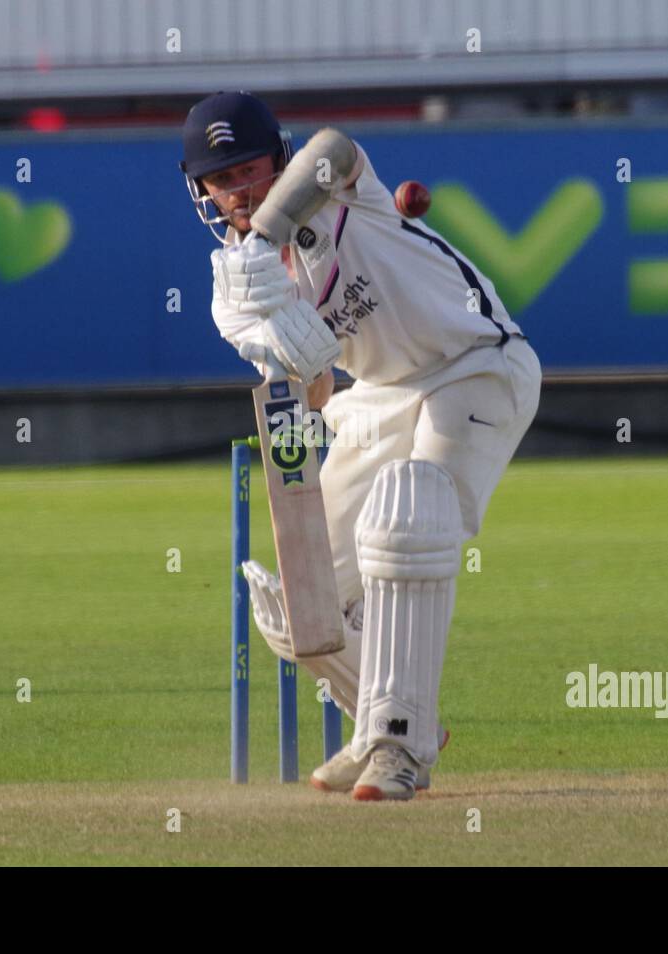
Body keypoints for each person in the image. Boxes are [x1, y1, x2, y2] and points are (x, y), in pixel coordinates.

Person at [181, 90, 541, 801]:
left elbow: (336, 145)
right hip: (379, 394)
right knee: (297, 605)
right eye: (222, 180)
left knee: (407, 521)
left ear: (279, 161)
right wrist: (285, 359)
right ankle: (389, 722)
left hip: (475, 365)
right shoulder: (239, 287)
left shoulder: (340, 190)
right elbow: (310, 398)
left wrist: (264, 236)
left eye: (251, 169)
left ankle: (399, 749)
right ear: (202, 190)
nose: (239, 191)